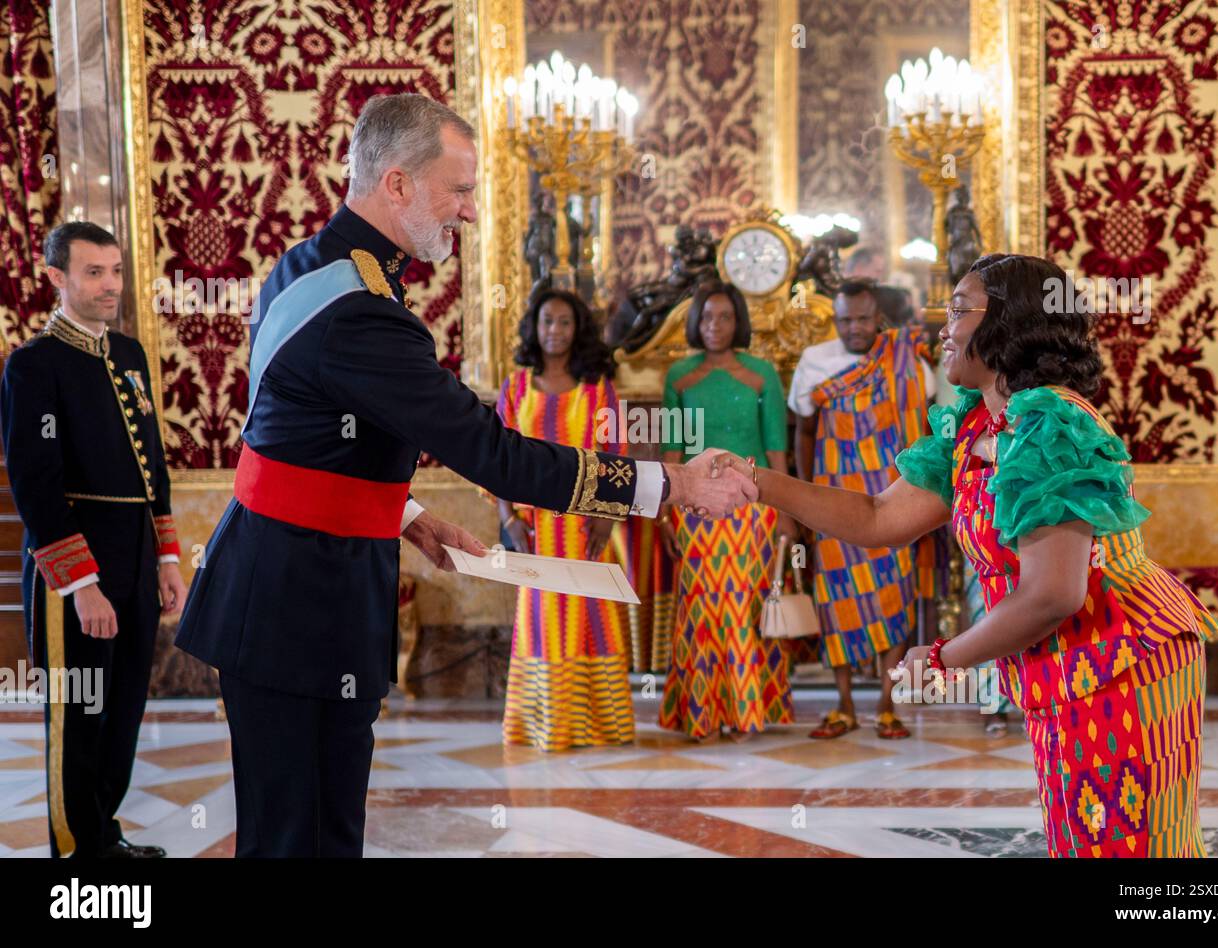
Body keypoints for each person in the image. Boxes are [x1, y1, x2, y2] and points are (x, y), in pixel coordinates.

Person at [174, 94, 755, 857]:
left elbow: (307, 441)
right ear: (398, 184)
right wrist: (668, 485)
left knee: (323, 829)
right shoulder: (361, 310)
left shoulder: (312, 265)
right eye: (461, 189)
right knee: (295, 837)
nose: (472, 212)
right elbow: (495, 454)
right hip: (297, 602)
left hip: (298, 580)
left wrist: (408, 515)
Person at [708, 254, 1214, 857]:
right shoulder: (974, 427)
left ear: (1009, 322)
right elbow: (877, 518)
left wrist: (945, 657)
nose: (941, 327)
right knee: (1081, 838)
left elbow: (1054, 592)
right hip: (1062, 663)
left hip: (1123, 657)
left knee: (1129, 847)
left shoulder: (1048, 425)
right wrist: (757, 482)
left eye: (957, 310)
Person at [1, 221, 189, 858]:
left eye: (115, 270)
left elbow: (151, 465)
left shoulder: (129, 356)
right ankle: (76, 856)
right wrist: (81, 583)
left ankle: (104, 836)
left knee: (125, 709)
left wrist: (166, 557)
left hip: (135, 556)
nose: (111, 285)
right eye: (94, 273)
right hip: (75, 569)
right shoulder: (33, 367)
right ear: (56, 278)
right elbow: (35, 483)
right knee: (78, 716)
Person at [787, 280, 931, 740]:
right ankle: (844, 705)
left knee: (894, 598)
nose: (854, 328)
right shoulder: (816, 362)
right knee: (836, 603)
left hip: (895, 501)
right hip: (835, 502)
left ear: (877, 318)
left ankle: (887, 707)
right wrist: (807, 500)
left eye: (862, 318)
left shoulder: (906, 358)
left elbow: (924, 426)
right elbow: (804, 433)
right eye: (845, 319)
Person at [495, 288, 634, 751]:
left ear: (579, 330)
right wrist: (507, 518)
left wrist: (608, 519)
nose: (555, 331)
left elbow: (615, 455)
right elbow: (496, 457)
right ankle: (544, 725)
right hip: (536, 530)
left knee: (593, 617)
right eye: (547, 322)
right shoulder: (516, 387)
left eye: (565, 323)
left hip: (585, 527)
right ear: (535, 327)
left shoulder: (598, 389)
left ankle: (600, 725)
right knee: (541, 622)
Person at [658, 281, 797, 743]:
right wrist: (663, 515)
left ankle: (745, 713)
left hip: (752, 511)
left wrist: (788, 513)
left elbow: (777, 449)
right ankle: (700, 714)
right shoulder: (678, 376)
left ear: (739, 322)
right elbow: (672, 451)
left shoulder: (762, 374)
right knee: (698, 609)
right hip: (694, 509)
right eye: (707, 317)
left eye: (724, 317)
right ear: (694, 322)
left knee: (742, 606)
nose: (714, 326)